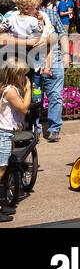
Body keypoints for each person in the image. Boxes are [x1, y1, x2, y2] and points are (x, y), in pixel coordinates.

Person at [0, 62, 32, 222]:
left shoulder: (6, 88)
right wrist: (29, 89)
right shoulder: (10, 90)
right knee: (0, 170)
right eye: (22, 74)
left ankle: (3, 202)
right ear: (14, 75)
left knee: (4, 169)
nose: (24, 77)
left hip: (6, 133)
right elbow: (24, 108)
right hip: (3, 134)